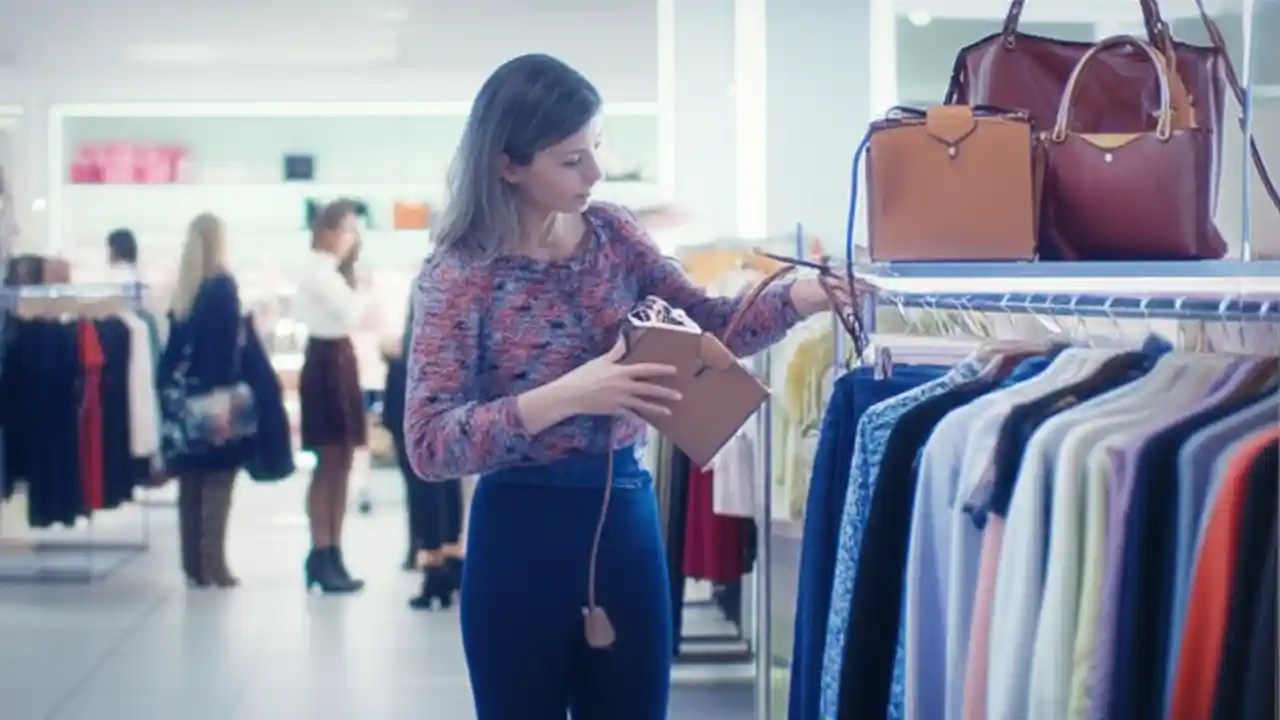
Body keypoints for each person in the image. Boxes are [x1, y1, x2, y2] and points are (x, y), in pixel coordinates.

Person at [404, 53, 851, 719]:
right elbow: (429, 443)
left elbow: (711, 327)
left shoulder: (613, 233)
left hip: (627, 519)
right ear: (508, 165)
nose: (596, 172)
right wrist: (569, 395)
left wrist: (809, 294)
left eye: (596, 148)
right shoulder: (458, 275)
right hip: (517, 534)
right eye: (570, 159)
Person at [165, 213, 248, 588]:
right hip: (217, 397)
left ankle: (192, 566)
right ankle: (216, 565)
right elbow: (229, 349)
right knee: (219, 482)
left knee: (191, 484)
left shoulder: (185, 288)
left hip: (186, 400)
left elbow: (172, 353)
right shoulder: (222, 287)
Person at [297, 199, 367, 594]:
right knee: (329, 460)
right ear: (327, 231)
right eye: (346, 229)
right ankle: (322, 549)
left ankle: (332, 549)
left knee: (341, 460)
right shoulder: (319, 273)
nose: (352, 238)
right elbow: (353, 312)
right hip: (326, 362)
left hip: (338, 359)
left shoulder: (332, 274)